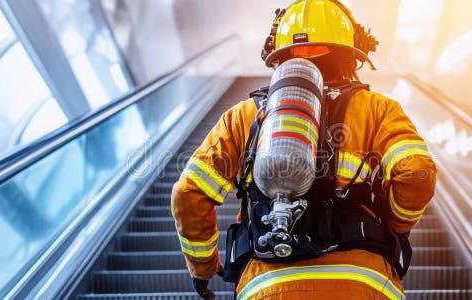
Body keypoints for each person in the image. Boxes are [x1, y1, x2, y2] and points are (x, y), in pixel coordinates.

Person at [171, 1, 437, 299]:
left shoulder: (243, 117)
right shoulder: (378, 109)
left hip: (266, 286)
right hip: (367, 284)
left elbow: (187, 195)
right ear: (350, 54)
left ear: (279, 55)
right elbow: (417, 174)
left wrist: (204, 270)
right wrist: (394, 225)